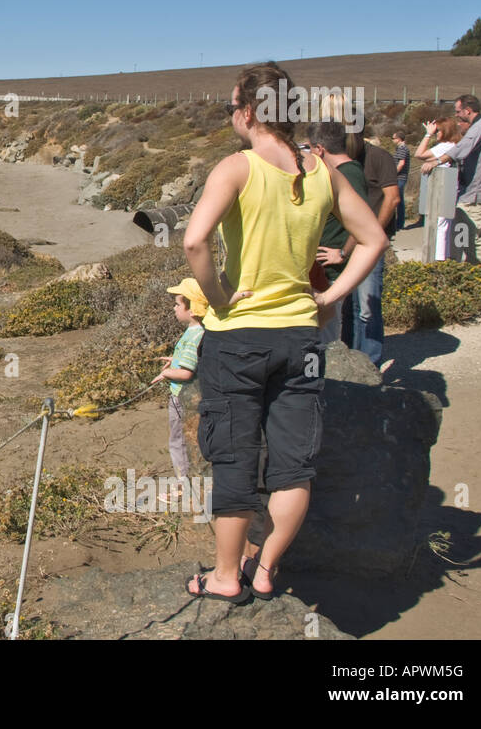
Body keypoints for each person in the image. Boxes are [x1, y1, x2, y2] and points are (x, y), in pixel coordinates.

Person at [182, 62, 385, 604]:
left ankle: (226, 578)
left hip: (238, 339)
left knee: (234, 457)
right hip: (303, 339)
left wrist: (220, 299)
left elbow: (194, 242)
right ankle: (266, 567)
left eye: (231, 107)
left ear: (249, 112)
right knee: (294, 464)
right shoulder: (322, 171)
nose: (230, 116)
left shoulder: (236, 168)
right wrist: (328, 297)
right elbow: (373, 240)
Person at [423, 95, 481, 287]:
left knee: (469, 239)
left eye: (458, 111)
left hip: (475, 192)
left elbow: (461, 149)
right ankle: (471, 278)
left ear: (468, 110)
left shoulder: (480, 128)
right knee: (473, 238)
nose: (457, 115)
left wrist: (438, 161)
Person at [305, 122, 369, 346]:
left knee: (326, 335)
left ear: (320, 149)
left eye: (311, 149)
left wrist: (342, 252)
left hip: (333, 270)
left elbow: (365, 224)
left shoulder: (347, 174)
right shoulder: (346, 172)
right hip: (325, 268)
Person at [340, 130, 398, 365]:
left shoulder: (378, 157)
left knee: (367, 306)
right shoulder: (343, 159)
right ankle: (350, 359)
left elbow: (392, 198)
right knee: (348, 306)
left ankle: (370, 362)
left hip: (368, 244)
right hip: (347, 242)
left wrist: (373, 231)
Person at [151, 279, 207, 498]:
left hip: (182, 398)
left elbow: (186, 373)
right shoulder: (199, 331)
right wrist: (175, 360)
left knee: (179, 441)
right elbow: (189, 362)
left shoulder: (195, 336)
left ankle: (183, 484)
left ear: (192, 310)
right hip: (189, 398)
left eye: (177, 304)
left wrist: (166, 373)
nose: (174, 308)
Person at [416, 118, 462, 260]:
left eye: (438, 130)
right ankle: (445, 256)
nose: (436, 133)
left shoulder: (446, 146)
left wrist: (427, 135)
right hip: (451, 188)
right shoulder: (455, 144)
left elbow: (419, 154)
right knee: (446, 224)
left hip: (442, 188)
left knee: (440, 224)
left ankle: (439, 258)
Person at [391, 130, 410, 230]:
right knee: (399, 200)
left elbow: (401, 163)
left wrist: (393, 173)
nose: (392, 140)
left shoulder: (402, 149)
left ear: (398, 139)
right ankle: (399, 223)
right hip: (400, 177)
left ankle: (399, 224)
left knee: (398, 200)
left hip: (400, 178)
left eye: (393, 138)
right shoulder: (400, 148)